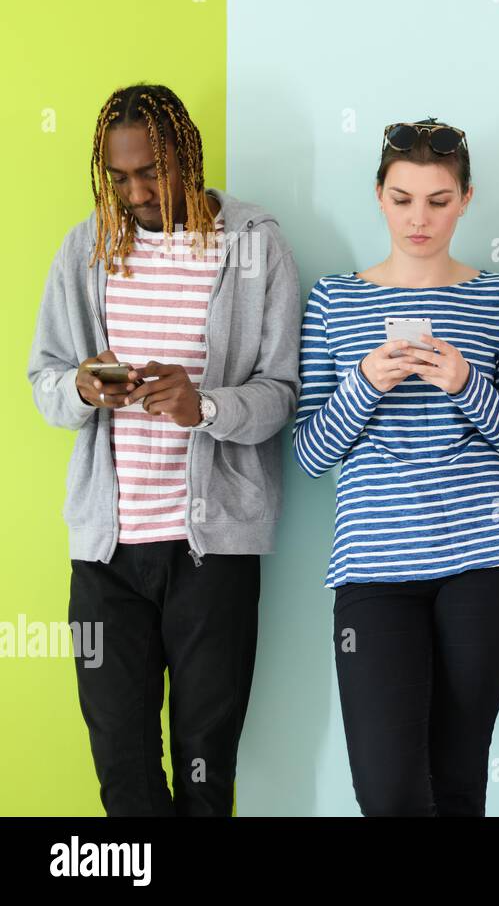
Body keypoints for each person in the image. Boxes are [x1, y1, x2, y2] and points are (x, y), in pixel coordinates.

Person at [27, 82, 302, 815]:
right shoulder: (87, 246)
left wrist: (203, 404)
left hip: (211, 552)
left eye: (151, 171)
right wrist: (83, 389)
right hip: (105, 554)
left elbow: (281, 394)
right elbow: (43, 380)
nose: (137, 191)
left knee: (207, 770)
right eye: (119, 178)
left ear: (187, 155)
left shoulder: (252, 243)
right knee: (122, 769)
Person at [294, 118, 499, 816]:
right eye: (403, 198)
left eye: (438, 200)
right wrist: (365, 383)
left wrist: (466, 383)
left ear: (466, 199)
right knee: (389, 792)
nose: (419, 219)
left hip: (489, 561)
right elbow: (311, 453)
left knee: (457, 779)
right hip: (373, 565)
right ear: (378, 195)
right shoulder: (334, 299)